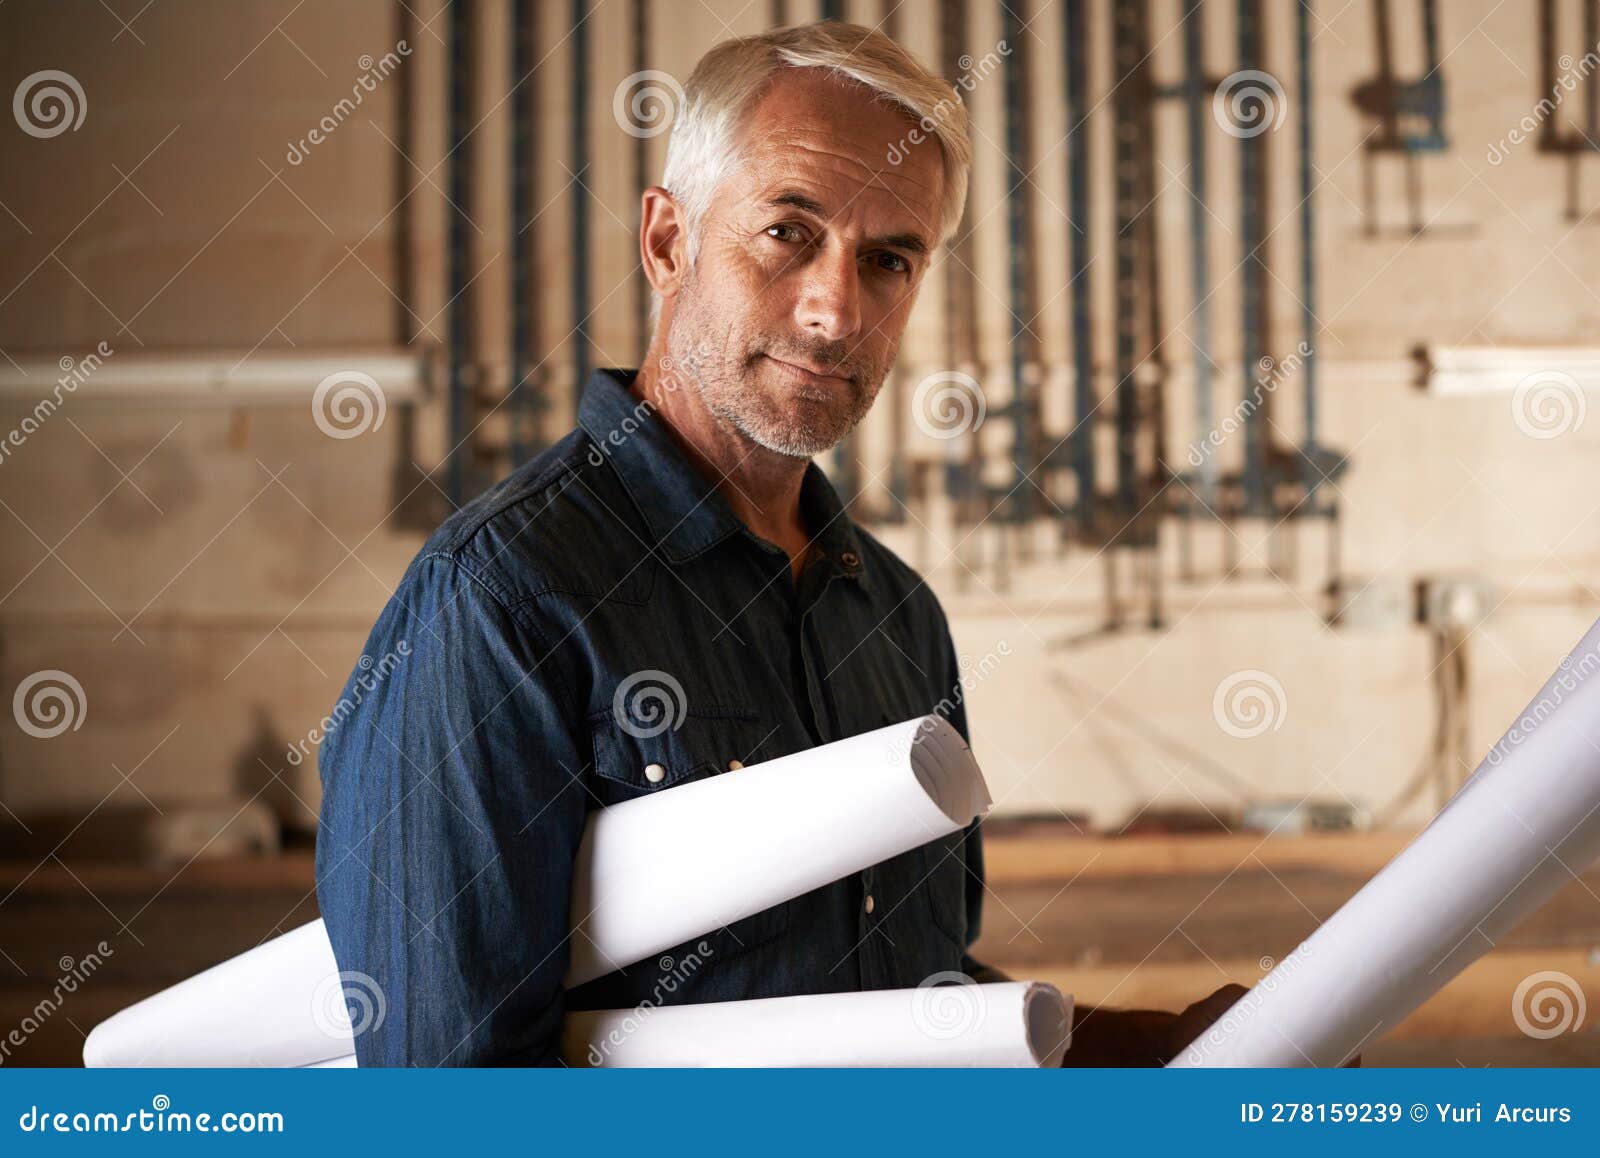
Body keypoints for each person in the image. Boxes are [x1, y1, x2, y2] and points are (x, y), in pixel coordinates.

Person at [315, 18, 1243, 1066]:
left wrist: (1161, 1055)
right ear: (669, 242)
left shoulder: (893, 616)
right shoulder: (501, 599)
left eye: (888, 259)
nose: (834, 311)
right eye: (787, 233)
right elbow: (450, 1089)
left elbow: (894, 1001)